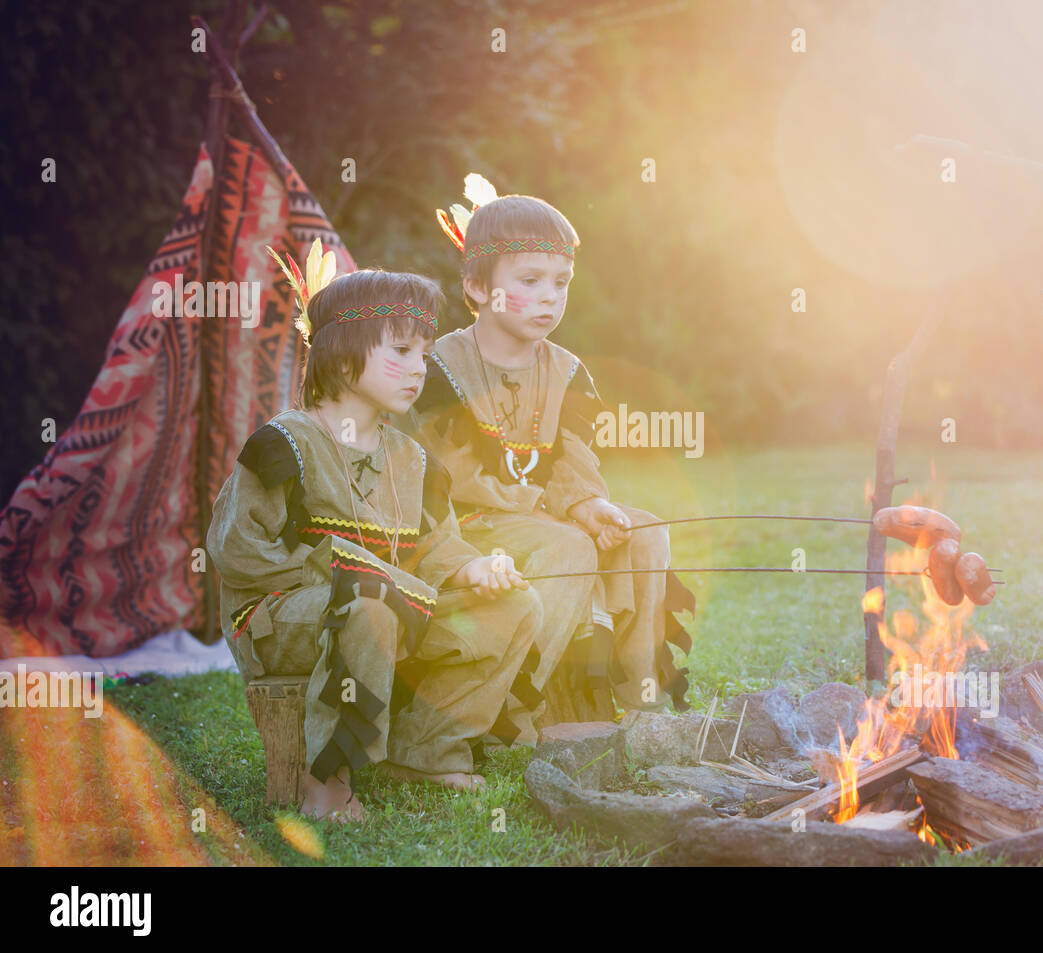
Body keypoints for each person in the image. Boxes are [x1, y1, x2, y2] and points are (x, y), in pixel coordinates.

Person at [208, 250, 543, 822]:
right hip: (281, 619)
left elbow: (436, 547)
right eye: (402, 351)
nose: (420, 368)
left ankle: (425, 750)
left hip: (391, 609)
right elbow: (237, 552)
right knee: (366, 601)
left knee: (516, 604)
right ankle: (325, 782)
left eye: (426, 354)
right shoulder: (283, 445)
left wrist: (475, 568)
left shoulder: (411, 460)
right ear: (340, 359)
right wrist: (354, 574)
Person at [396, 175, 693, 720]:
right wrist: (560, 517)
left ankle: (635, 690)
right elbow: (444, 473)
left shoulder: (566, 369)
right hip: (467, 522)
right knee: (570, 548)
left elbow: (574, 458)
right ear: (479, 288)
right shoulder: (439, 367)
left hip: (543, 513)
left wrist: (587, 505)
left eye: (561, 282)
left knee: (645, 532)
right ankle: (513, 697)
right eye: (531, 280)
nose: (550, 297)